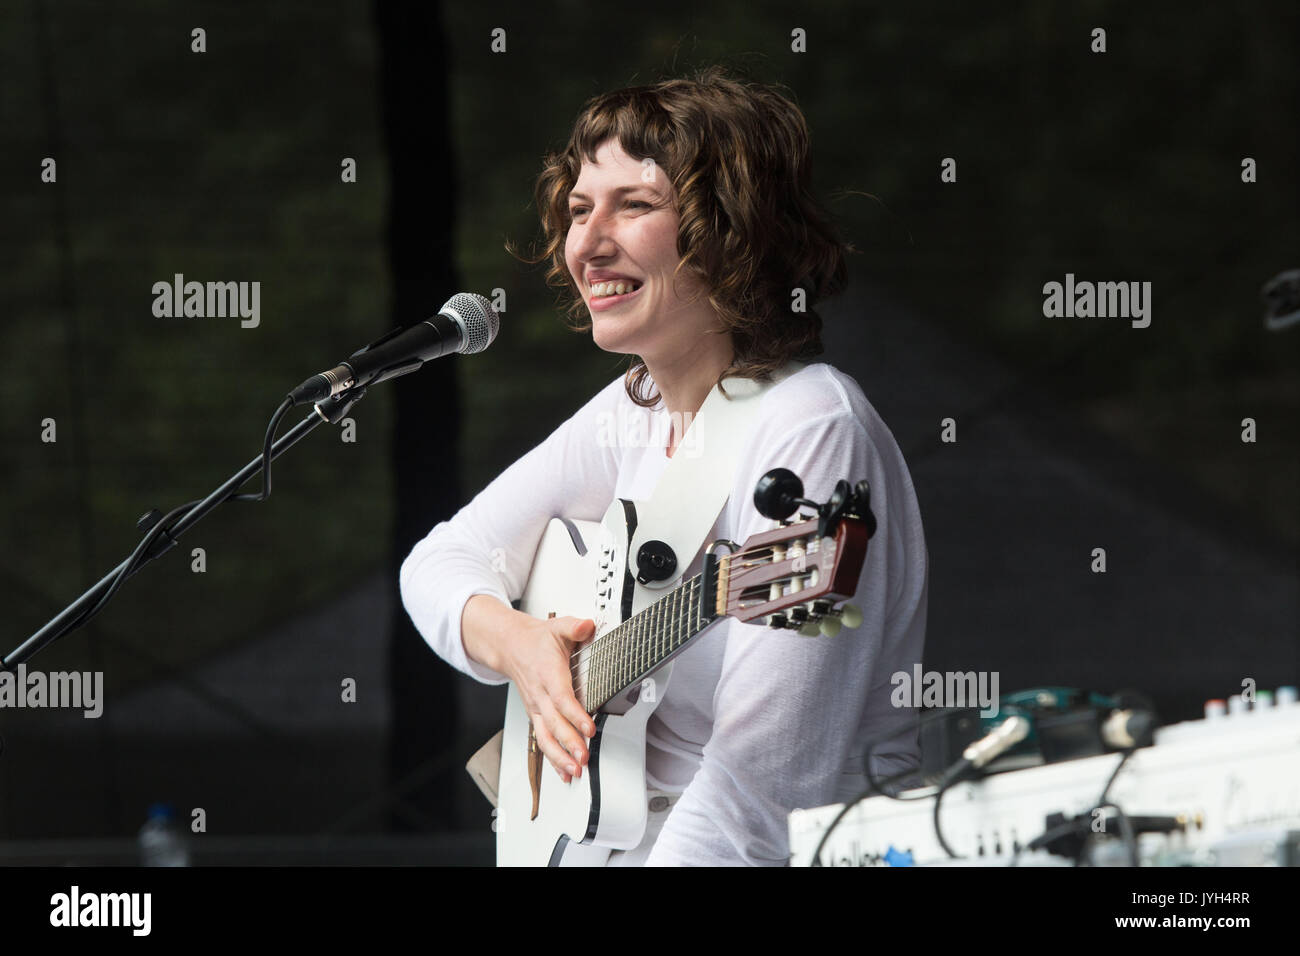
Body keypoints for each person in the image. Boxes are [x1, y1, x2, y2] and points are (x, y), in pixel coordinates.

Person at [400, 67, 928, 865]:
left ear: (732, 229)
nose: (588, 241)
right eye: (579, 209)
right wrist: (521, 647)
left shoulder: (813, 428)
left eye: (635, 205)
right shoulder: (632, 412)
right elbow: (436, 564)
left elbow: (760, 794)